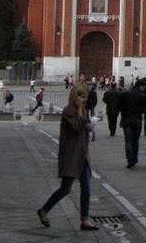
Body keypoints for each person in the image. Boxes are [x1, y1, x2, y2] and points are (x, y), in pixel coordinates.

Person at [37, 84, 99, 231]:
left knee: (86, 187)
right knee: (66, 188)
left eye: (85, 98)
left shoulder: (83, 110)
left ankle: (85, 219)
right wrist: (81, 114)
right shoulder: (68, 111)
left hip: (83, 154)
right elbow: (77, 127)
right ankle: (44, 210)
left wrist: (90, 126)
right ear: (75, 97)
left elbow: (84, 125)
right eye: (82, 98)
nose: (84, 101)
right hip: (71, 154)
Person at [118, 78, 146, 167]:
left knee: (128, 140)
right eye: (144, 87)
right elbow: (145, 109)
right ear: (140, 86)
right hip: (137, 119)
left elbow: (119, 106)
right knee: (135, 140)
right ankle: (134, 158)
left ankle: (130, 159)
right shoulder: (142, 96)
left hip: (126, 119)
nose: (144, 89)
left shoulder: (125, 94)